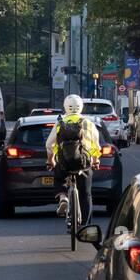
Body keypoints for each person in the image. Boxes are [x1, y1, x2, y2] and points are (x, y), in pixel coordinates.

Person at [45, 94, 99, 227]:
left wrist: (50, 160)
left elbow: (49, 145)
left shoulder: (60, 123)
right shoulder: (88, 123)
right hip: (83, 163)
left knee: (59, 179)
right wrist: (96, 160)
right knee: (86, 194)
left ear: (65, 107)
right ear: (81, 107)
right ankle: (85, 227)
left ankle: (63, 198)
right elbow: (96, 145)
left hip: (63, 163)